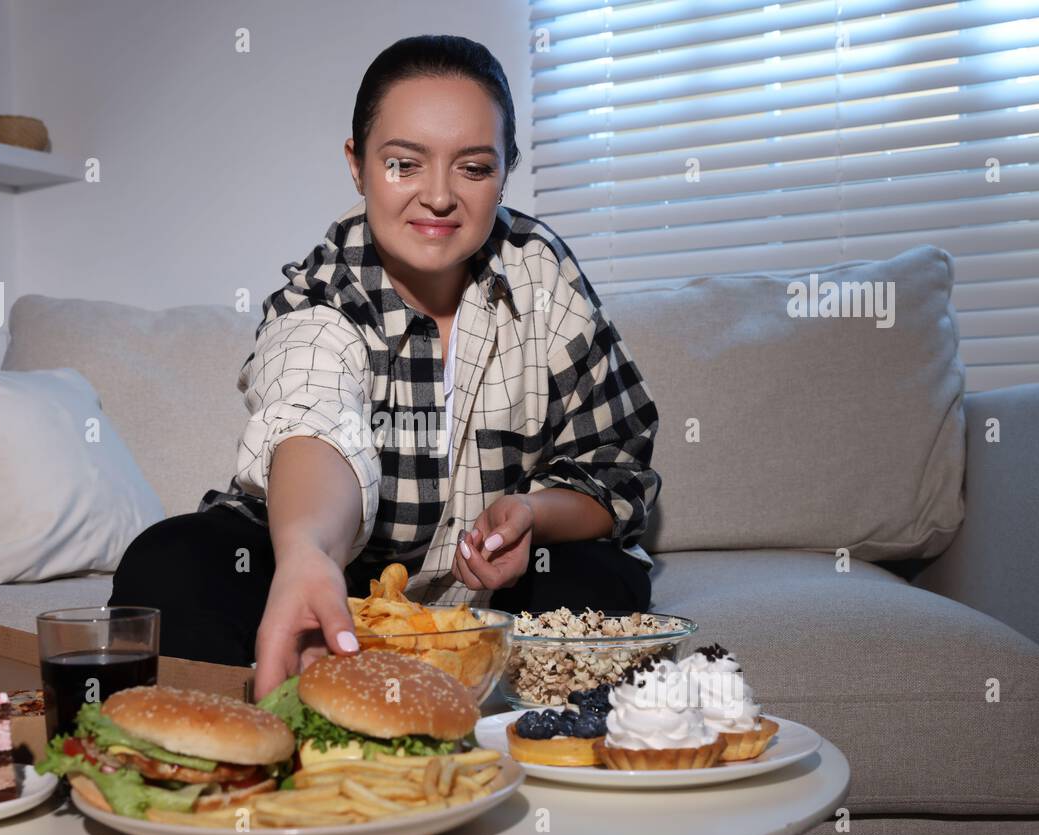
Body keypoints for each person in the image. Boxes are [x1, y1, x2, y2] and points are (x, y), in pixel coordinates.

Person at [110, 34, 661, 699]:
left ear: (506, 168)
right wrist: (309, 554)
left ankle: (541, 742)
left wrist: (531, 512)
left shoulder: (543, 271)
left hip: (499, 601)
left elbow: (616, 468)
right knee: (170, 565)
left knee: (601, 583)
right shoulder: (325, 288)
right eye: (404, 163)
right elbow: (314, 414)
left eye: (474, 168)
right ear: (358, 163)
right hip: (339, 584)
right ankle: (290, 726)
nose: (437, 197)